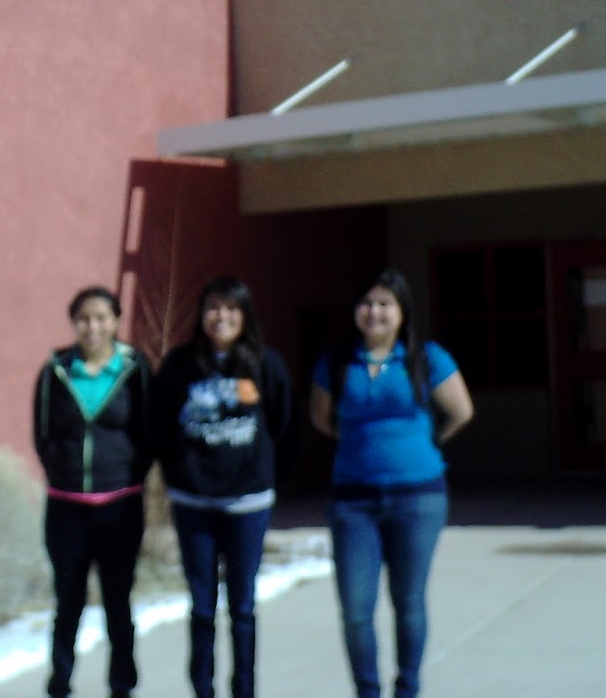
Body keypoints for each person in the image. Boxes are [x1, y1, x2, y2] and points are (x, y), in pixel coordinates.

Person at [308, 267, 474, 698]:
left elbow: (461, 411)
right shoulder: (336, 361)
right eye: (366, 303)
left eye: (385, 303)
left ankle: (407, 689)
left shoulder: (427, 357)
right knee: (356, 609)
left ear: (402, 312)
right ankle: (367, 691)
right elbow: (320, 418)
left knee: (409, 601)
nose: (374, 312)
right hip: (352, 502)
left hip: (417, 498)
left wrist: (427, 442)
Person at [154, 277, 293, 698]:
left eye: (232, 309)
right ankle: (203, 689)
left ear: (245, 316)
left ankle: (244, 689)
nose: (222, 317)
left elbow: (283, 424)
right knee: (201, 606)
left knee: (243, 607)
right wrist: (180, 473)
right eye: (214, 308)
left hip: (247, 503)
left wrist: (263, 474)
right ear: (201, 315)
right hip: (193, 502)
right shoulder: (179, 365)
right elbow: (160, 424)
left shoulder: (266, 364)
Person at [33, 285, 153, 698]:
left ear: (115, 321)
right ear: (74, 323)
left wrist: (128, 474)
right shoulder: (56, 370)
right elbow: (43, 432)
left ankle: (122, 684)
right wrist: (61, 470)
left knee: (118, 601)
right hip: (67, 508)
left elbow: (148, 430)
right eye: (84, 318)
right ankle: (60, 683)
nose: (93, 326)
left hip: (120, 506)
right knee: (68, 601)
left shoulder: (135, 369)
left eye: (101, 317)